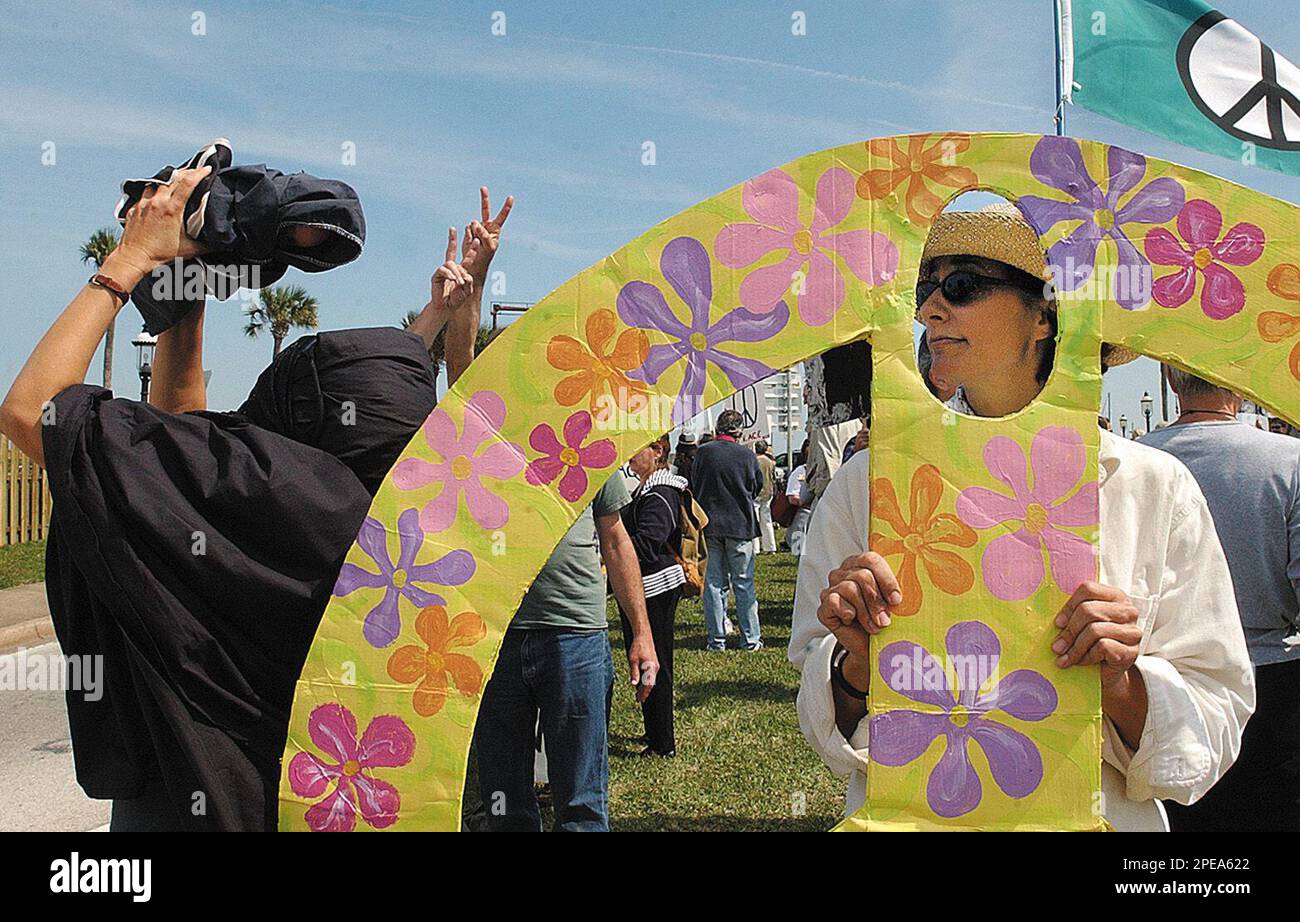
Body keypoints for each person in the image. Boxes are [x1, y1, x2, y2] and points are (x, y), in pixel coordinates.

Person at [0, 165, 514, 830]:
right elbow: (189, 431)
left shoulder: (257, 493)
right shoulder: (411, 536)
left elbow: (31, 411)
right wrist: (189, 293)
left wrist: (132, 257)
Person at [789, 203, 1254, 831]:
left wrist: (1121, 683)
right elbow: (821, 722)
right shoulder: (867, 486)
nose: (929, 311)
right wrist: (854, 666)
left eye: (961, 286)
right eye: (923, 290)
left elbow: (1215, 721)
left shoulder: (1152, 487)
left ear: (1044, 314)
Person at [1140, 367, 1300, 830]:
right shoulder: (1289, 460)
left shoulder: (1133, 460)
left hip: (1159, 684)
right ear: (1241, 381)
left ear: (1170, 379)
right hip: (1271, 682)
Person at [473, 470, 658, 831]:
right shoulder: (473, 437)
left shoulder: (585, 441)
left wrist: (642, 633)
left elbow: (617, 541)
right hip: (492, 634)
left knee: (581, 803)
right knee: (503, 800)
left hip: (576, 635)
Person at [617, 435, 689, 757]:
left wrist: (614, 551)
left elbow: (648, 543)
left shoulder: (660, 492)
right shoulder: (654, 490)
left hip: (654, 587)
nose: (629, 456)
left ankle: (662, 743)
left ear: (657, 451)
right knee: (650, 662)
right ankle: (656, 734)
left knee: (654, 663)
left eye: (636, 448)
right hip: (650, 586)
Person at [690, 409, 763, 651]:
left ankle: (717, 639)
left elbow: (694, 481)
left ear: (718, 429)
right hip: (740, 525)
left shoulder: (703, 453)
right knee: (743, 583)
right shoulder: (747, 455)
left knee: (713, 584)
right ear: (739, 431)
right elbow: (756, 486)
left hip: (710, 525)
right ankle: (751, 639)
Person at [785, 444, 813, 557]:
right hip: (803, 514)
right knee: (799, 549)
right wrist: (805, 503)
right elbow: (792, 496)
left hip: (814, 513)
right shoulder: (800, 471)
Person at [753, 440, 778, 554]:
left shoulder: (754, 461)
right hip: (768, 492)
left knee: (755, 521)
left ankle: (755, 548)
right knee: (767, 520)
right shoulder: (770, 462)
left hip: (756, 493)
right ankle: (770, 547)